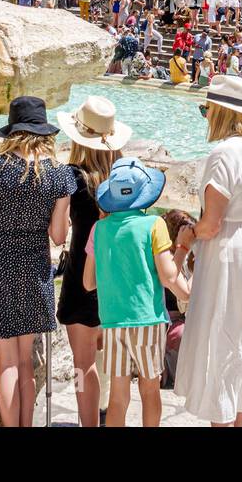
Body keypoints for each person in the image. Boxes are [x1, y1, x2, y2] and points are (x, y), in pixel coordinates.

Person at [174, 75, 242, 426]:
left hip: (229, 256)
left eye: (206, 109)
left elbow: (212, 224)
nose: (204, 116)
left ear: (218, 111)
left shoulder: (222, 154)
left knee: (222, 341)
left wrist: (189, 235)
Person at [0, 97, 75, 427]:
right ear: (45, 132)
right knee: (26, 362)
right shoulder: (60, 175)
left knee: (7, 362)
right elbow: (59, 236)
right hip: (33, 270)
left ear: (12, 131)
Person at [83, 158, 190, 427]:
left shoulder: (99, 229)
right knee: (149, 389)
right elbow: (168, 277)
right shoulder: (154, 225)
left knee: (118, 397)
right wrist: (183, 249)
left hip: (112, 322)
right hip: (147, 320)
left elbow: (88, 282)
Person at [55, 96, 131, 427]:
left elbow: (58, 232)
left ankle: (89, 423)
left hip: (80, 277)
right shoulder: (124, 178)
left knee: (82, 364)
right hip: (118, 277)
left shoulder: (72, 177)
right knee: (110, 361)